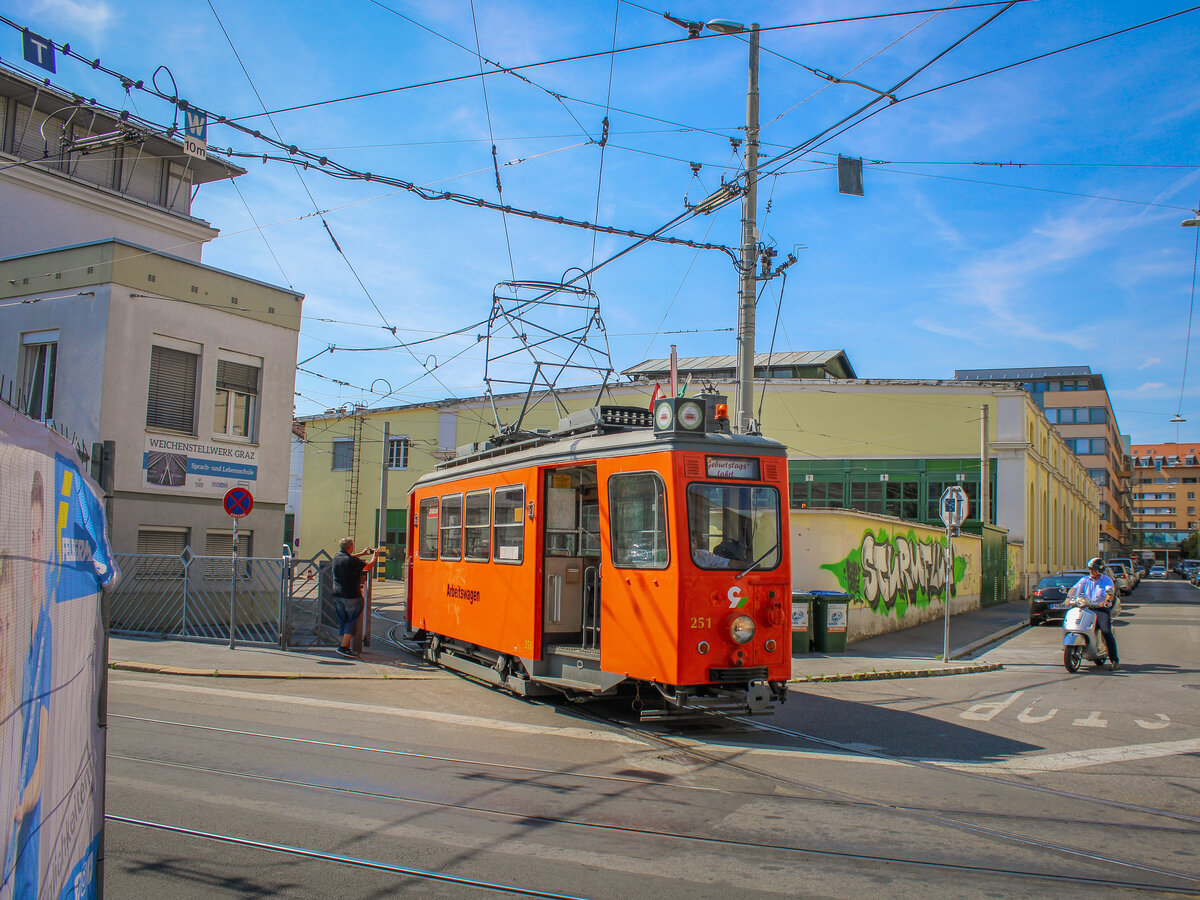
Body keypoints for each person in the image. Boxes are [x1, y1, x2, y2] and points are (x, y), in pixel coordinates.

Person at [1068, 557, 1120, 670]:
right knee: (1078, 626)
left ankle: (1114, 660)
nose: (1092, 571)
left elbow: (1110, 592)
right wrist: (1068, 598)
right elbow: (1074, 588)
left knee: (1106, 631)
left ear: (1100, 570)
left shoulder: (1106, 580)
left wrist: (1107, 600)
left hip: (1101, 609)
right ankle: (1081, 646)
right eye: (1090, 569)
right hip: (1086, 608)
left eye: (1095, 569)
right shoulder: (1084, 580)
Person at [330, 538, 378, 658]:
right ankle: (344, 647)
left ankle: (343, 644)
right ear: (351, 547)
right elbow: (368, 567)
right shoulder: (352, 561)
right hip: (351, 595)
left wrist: (362, 553)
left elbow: (349, 558)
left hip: (337, 595)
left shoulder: (336, 557)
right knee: (352, 621)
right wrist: (375, 556)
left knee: (343, 620)